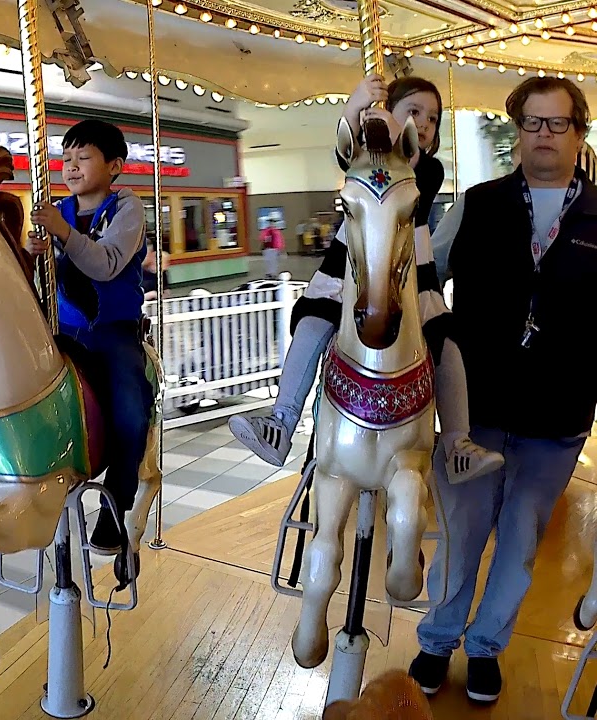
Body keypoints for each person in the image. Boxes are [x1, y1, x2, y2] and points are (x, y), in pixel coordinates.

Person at [408, 76, 597, 704]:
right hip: (476, 409)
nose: (543, 135)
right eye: (532, 122)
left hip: (558, 415)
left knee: (519, 542)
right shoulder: (478, 204)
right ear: (518, 130)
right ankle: (437, 640)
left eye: (557, 123)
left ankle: (487, 646)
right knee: (462, 535)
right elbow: (424, 280)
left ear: (578, 132)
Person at [228, 74, 504, 486]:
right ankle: (282, 421)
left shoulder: (427, 170)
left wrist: (391, 126)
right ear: (388, 112)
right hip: (349, 268)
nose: (423, 123)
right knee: (313, 323)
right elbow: (347, 155)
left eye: (432, 118)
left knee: (447, 342)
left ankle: (456, 443)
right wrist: (357, 105)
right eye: (414, 112)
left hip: (411, 275)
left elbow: (414, 171)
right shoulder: (360, 161)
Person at [27, 119, 153, 554]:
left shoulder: (126, 209)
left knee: (131, 411)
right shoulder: (56, 212)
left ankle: (116, 505)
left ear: (114, 166)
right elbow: (39, 282)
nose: (72, 167)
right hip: (63, 330)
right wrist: (32, 255)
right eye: (66, 158)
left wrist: (63, 234)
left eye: (83, 157)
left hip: (113, 331)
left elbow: (106, 264)